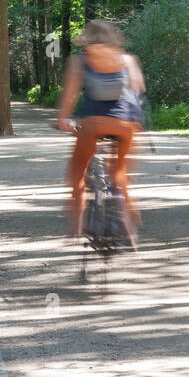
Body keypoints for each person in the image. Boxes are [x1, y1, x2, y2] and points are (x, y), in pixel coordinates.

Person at [56, 19, 146, 246]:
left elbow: (69, 98)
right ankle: (127, 218)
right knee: (120, 171)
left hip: (93, 124)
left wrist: (63, 121)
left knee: (77, 172)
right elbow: (138, 91)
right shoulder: (128, 59)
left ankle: (76, 227)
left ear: (86, 39)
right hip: (127, 125)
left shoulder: (79, 61)